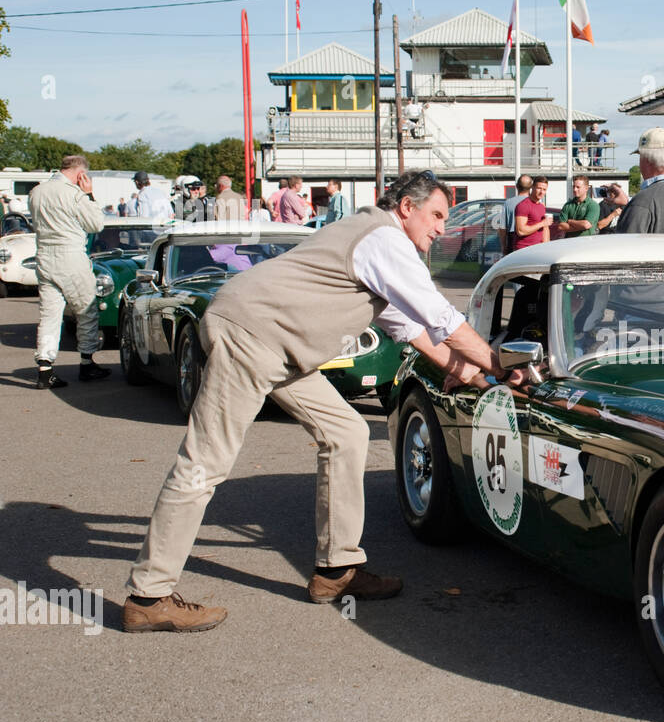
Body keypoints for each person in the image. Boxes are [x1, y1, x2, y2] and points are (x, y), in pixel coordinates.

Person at [123, 170, 520, 632]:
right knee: (204, 463)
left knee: (348, 434)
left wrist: (469, 375)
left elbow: (413, 331)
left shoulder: (377, 246)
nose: (441, 228)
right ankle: (149, 595)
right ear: (407, 208)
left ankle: (336, 570)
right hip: (254, 336)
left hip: (278, 347)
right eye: (436, 215)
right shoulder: (385, 240)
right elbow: (443, 320)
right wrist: (497, 364)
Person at [28, 155, 111, 389]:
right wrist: (89, 195)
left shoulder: (37, 192)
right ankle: (87, 362)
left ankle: (45, 367)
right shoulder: (74, 194)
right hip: (70, 254)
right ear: (80, 174)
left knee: (49, 314)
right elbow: (96, 224)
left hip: (44, 255)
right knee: (86, 309)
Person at [513, 176, 553, 250]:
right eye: (539, 188)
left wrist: (547, 247)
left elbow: (545, 229)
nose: (541, 192)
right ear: (532, 187)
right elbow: (521, 231)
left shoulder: (541, 206)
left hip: (538, 249)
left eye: (544, 189)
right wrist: (542, 223)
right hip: (524, 250)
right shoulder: (523, 205)